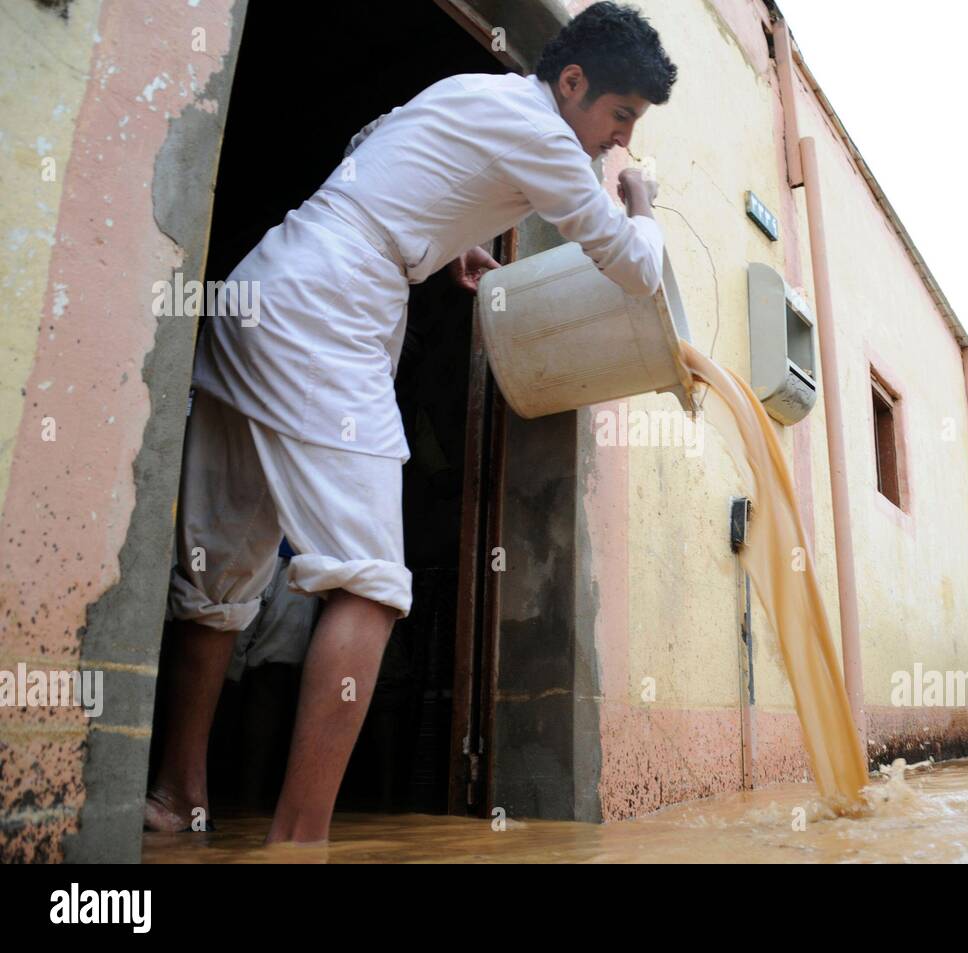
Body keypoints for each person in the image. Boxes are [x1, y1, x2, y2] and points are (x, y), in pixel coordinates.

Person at [151, 1, 678, 844]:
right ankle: (301, 843)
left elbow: (372, 148)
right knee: (371, 581)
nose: (617, 140)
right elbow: (631, 266)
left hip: (270, 283)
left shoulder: (475, 92)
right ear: (572, 83)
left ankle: (178, 800)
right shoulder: (547, 137)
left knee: (219, 576)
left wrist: (447, 243)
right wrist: (639, 199)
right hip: (329, 311)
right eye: (620, 117)